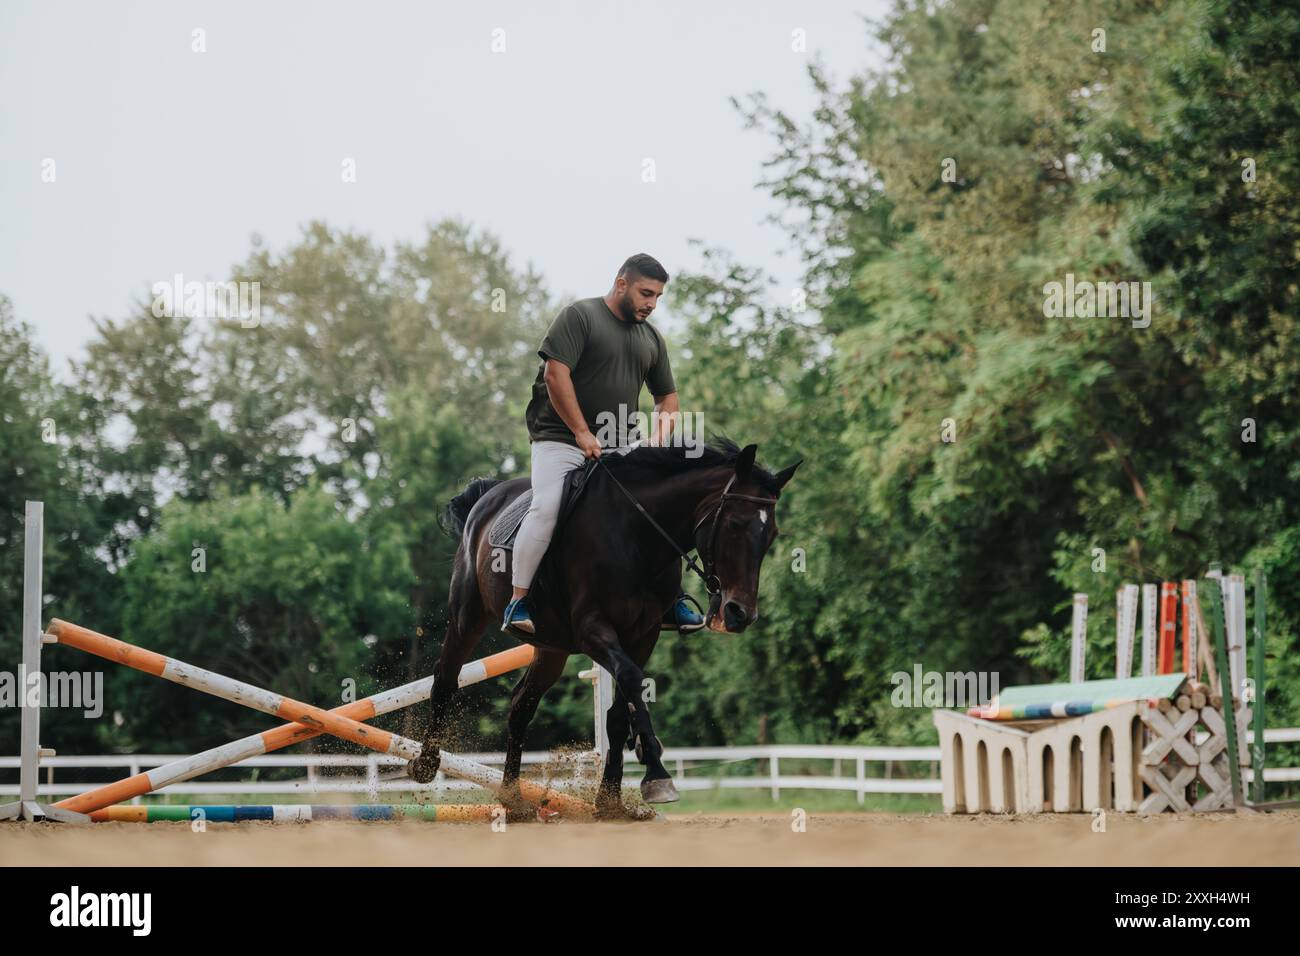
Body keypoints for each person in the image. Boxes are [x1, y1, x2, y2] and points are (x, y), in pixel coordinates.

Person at [503, 253, 705, 635]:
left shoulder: (651, 339)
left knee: (657, 508)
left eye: (659, 296)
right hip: (559, 440)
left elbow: (668, 399)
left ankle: (671, 596)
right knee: (547, 507)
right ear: (621, 283)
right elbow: (555, 374)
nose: (652, 303)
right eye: (646, 293)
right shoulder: (580, 317)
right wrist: (581, 432)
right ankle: (519, 600)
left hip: (621, 445)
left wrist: (656, 442)